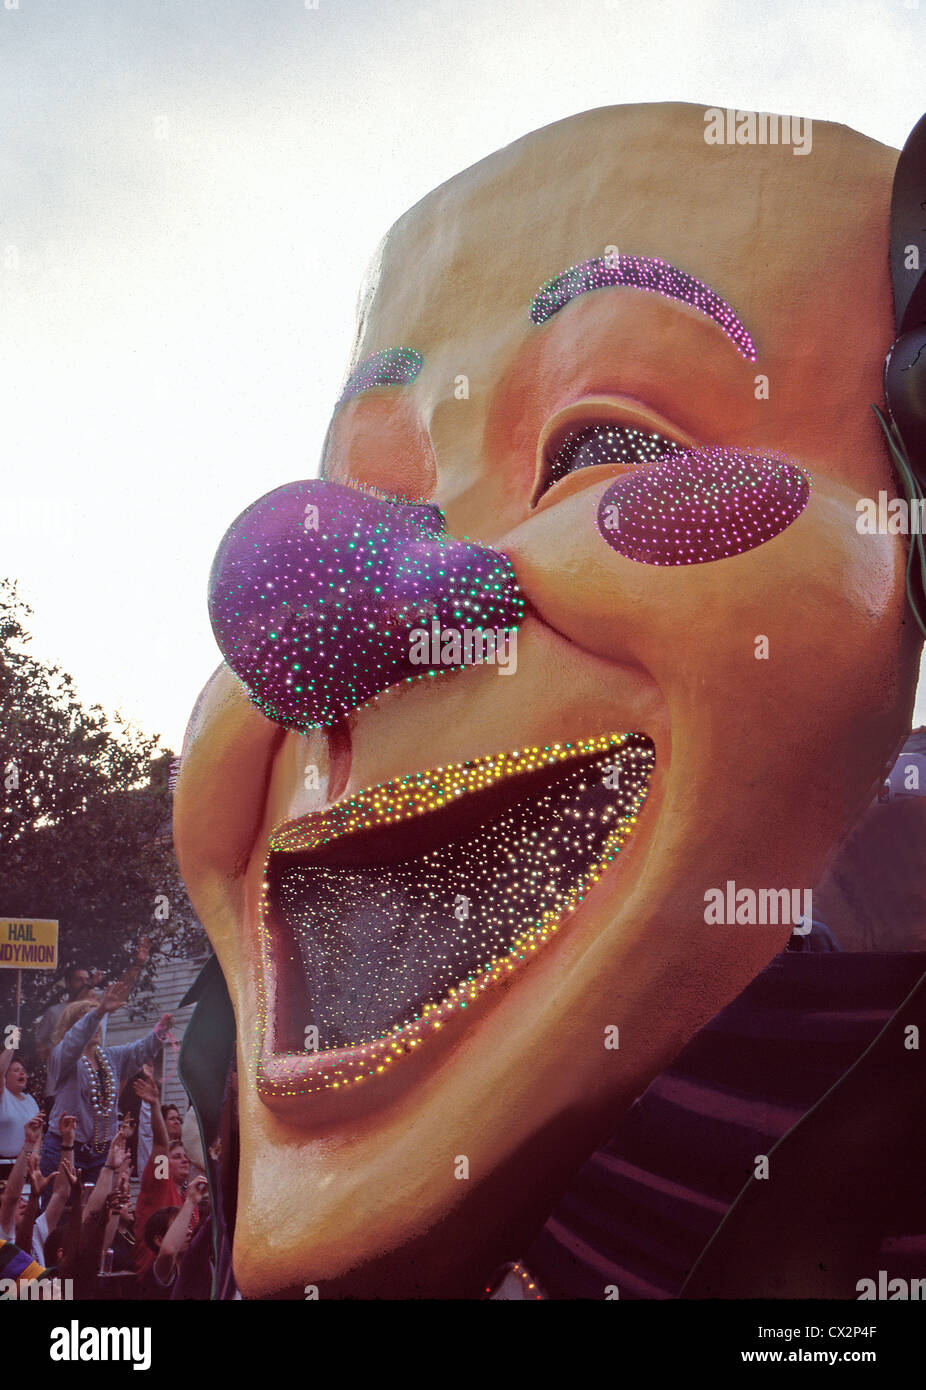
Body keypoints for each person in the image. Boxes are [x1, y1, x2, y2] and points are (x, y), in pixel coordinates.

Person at [40, 972, 172, 1189]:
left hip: (101, 1152)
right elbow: (74, 1041)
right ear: (74, 1027)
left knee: (97, 1214)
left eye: (98, 1021)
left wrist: (161, 1031)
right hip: (64, 1147)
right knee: (60, 1213)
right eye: (89, 1021)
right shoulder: (63, 1059)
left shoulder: (111, 1057)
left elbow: (140, 1051)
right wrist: (99, 1011)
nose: (97, 1026)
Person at [0, 1042, 40, 1178]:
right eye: (16, 1070)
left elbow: (39, 1132)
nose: (22, 1073)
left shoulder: (30, 1100)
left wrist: (35, 1153)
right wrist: (12, 1042)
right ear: (5, 1077)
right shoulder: (3, 1096)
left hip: (24, 1164)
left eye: (23, 1070)